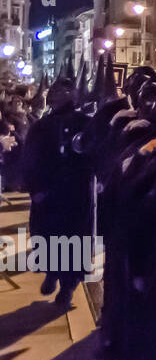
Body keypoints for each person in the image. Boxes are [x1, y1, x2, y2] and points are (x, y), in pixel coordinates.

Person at [21, 79, 91, 308]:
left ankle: (68, 286)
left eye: (65, 91)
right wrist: (35, 188)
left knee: (75, 240)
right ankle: (52, 273)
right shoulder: (41, 126)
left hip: (76, 194)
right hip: (49, 193)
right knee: (47, 236)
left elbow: (96, 154)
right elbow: (30, 159)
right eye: (57, 91)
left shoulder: (86, 124)